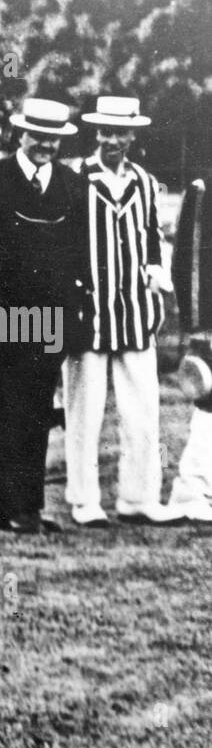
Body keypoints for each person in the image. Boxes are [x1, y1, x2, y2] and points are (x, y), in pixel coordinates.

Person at [63, 97, 181, 527]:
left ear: (133, 135)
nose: (112, 140)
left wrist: (155, 276)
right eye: (105, 131)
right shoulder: (74, 177)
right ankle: (84, 501)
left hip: (135, 313)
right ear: (95, 133)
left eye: (121, 132)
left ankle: (139, 499)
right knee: (84, 412)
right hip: (86, 316)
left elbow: (153, 241)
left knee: (143, 411)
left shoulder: (147, 183)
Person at [0, 98, 91, 535]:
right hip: (4, 314)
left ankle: (29, 508)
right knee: (3, 407)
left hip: (52, 315)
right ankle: (1, 509)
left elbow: (78, 251)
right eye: (38, 136)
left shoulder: (70, 183)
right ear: (21, 134)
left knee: (38, 408)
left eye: (54, 138)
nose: (46, 144)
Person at [166, 176, 212, 524]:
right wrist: (198, 327)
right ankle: (191, 491)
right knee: (210, 404)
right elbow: (188, 261)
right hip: (210, 321)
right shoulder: (203, 189)